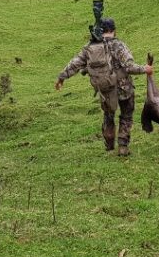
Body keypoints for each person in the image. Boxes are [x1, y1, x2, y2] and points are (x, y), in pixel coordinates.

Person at [56, 17, 152, 156]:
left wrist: (61, 77)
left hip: (106, 89)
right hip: (124, 88)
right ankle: (123, 147)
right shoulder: (119, 45)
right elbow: (129, 67)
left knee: (108, 115)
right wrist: (145, 69)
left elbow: (75, 64)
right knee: (126, 115)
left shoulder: (90, 48)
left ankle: (109, 144)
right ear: (114, 31)